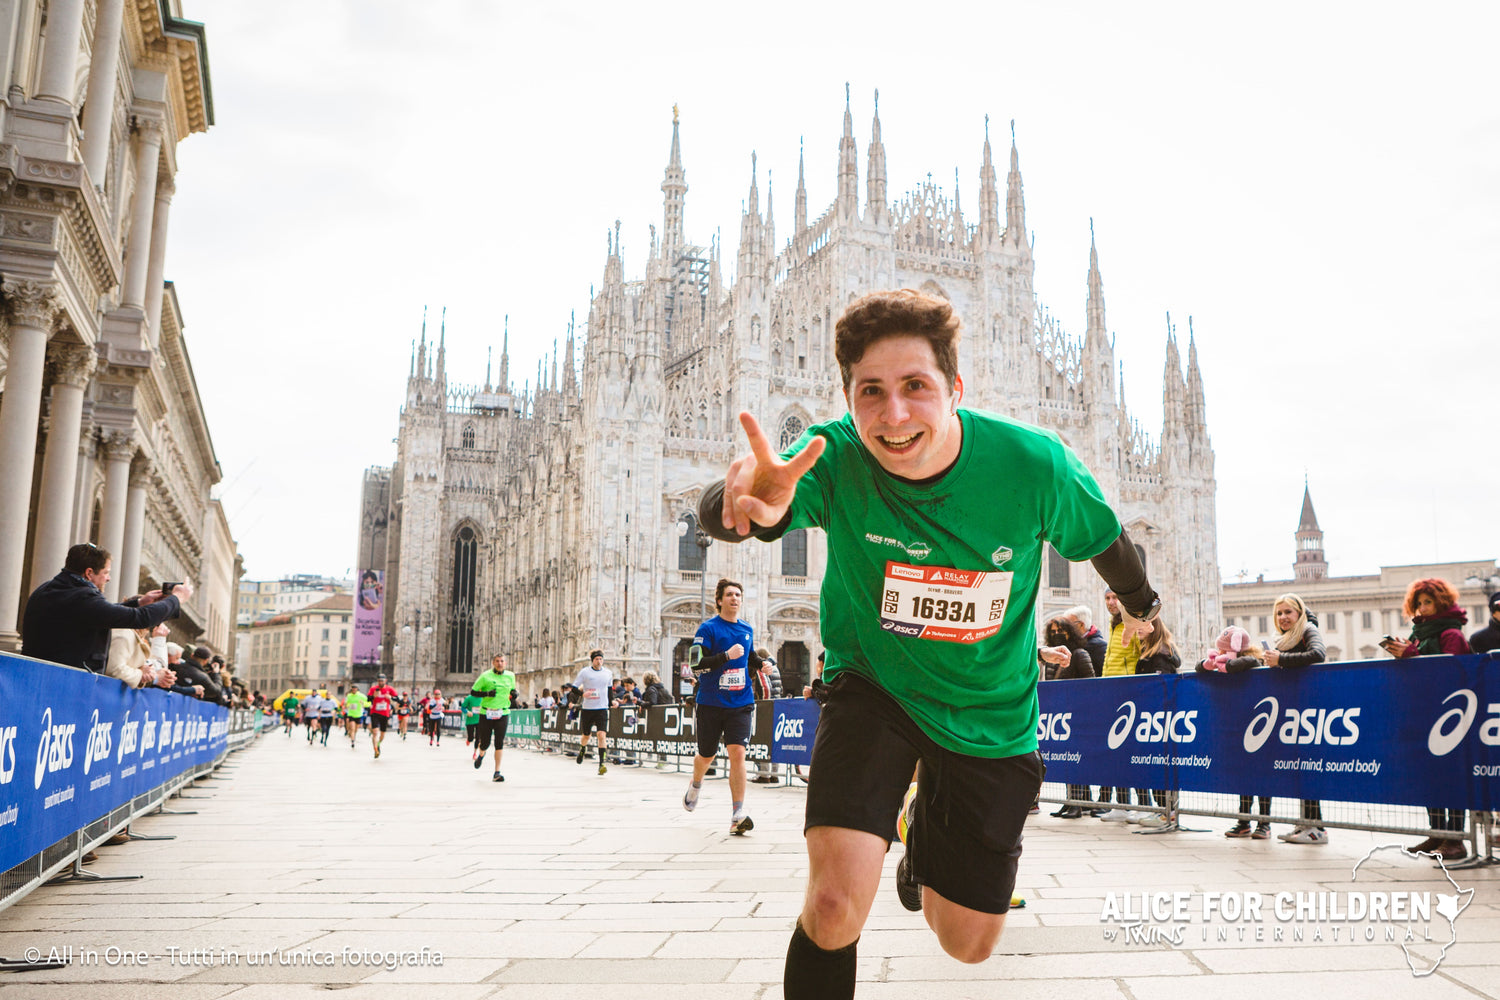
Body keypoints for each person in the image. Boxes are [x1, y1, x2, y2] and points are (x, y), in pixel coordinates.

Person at [696, 289, 1160, 995]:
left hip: (989, 713)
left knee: (966, 940)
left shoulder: (1032, 464)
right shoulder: (835, 454)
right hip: (872, 690)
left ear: (956, 389)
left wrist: (1143, 606)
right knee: (832, 906)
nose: (895, 414)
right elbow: (755, 501)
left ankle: (920, 825)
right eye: (871, 393)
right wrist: (739, 506)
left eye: (916, 387)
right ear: (848, 398)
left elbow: (1107, 542)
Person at [1381, 578, 1472, 859]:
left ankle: (1455, 839)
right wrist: (1405, 653)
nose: (1422, 608)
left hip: (1450, 717)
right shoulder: (1420, 632)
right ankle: (1437, 834)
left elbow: (1450, 672)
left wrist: (1413, 655)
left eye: (1428, 602)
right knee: (1430, 778)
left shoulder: (1451, 634)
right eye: (1418, 603)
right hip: (1424, 712)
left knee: (1450, 778)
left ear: (1441, 602)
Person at [21, 543, 187, 674]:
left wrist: (139, 602)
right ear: (89, 573)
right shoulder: (82, 597)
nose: (109, 578)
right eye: (106, 572)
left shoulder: (51, 588)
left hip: (41, 673)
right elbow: (140, 618)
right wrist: (176, 599)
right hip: (64, 683)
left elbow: (97, 613)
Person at [682, 578, 759, 834]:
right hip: (711, 702)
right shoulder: (708, 629)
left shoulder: (746, 628)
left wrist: (761, 665)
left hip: (741, 701)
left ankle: (738, 813)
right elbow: (695, 664)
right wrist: (726, 656)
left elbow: (749, 655)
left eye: (738, 594)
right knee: (707, 755)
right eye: (729, 594)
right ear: (719, 600)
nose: (734, 598)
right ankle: (696, 782)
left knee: (738, 753)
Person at [1262, 595, 1328, 844]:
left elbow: (1318, 654)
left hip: (1308, 708)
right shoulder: (1283, 638)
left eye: (1288, 612)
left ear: (1299, 613)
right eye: (1279, 613)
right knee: (1299, 769)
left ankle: (1317, 828)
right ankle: (1306, 823)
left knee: (1308, 768)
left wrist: (1281, 660)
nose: (1283, 618)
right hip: (1292, 709)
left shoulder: (1308, 629)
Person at [1197, 625, 1273, 839]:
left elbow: (1248, 662)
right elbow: (1198, 668)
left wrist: (1227, 661)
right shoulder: (1222, 663)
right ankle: (1243, 821)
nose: (1220, 654)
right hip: (1238, 725)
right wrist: (1211, 662)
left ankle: (1264, 823)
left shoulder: (1252, 661)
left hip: (1259, 726)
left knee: (1261, 775)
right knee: (1244, 776)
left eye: (1224, 650)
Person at [1095, 589, 1143, 822]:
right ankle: (1122, 805)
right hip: (1112, 692)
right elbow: (1110, 658)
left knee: (1135, 752)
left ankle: (1146, 805)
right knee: (1118, 752)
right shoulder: (1115, 625)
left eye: (1115, 598)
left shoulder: (1133, 622)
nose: (1111, 602)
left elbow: (1143, 654)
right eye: (1108, 598)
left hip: (1129, 692)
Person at [1040, 615, 1094, 819]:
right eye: (1052, 632)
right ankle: (1072, 801)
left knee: (1077, 760)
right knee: (1068, 760)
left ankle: (1077, 803)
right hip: (1060, 716)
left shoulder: (1080, 654)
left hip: (1078, 714)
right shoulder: (1053, 660)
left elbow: (1090, 683)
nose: (1056, 635)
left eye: (1060, 631)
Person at [1133, 618, 1182, 829]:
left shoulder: (1160, 654)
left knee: (1159, 766)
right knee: (1155, 765)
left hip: (1157, 719)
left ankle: (1166, 811)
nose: (1137, 630)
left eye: (1141, 626)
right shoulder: (1153, 651)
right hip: (1153, 718)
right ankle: (1164, 810)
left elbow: (1160, 688)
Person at [470, 653, 517, 781]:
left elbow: (512, 690)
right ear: (493, 663)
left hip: (503, 713)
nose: (499, 663)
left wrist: (514, 694)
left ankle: (497, 772)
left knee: (499, 743)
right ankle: (481, 754)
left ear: (505, 663)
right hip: (486, 713)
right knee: (485, 742)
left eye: (502, 661)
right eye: (497, 661)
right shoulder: (485, 676)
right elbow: (473, 692)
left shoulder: (511, 676)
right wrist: (487, 693)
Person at [573, 650, 613, 775]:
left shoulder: (608, 673)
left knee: (601, 735)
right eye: (597, 659)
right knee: (586, 735)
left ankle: (602, 764)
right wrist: (582, 694)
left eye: (601, 659)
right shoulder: (585, 672)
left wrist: (612, 703)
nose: (599, 661)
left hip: (602, 708)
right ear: (592, 660)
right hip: (588, 708)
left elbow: (610, 690)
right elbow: (574, 687)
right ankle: (582, 749)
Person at [1063, 604, 1108, 674]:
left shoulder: (1099, 646)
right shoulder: (1071, 644)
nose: (1065, 629)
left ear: (1081, 624)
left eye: (1068, 625)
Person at [367, 674, 398, 759]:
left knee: (382, 734)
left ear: (385, 681)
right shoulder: (373, 689)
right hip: (375, 713)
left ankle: (378, 744)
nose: (381, 682)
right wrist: (374, 696)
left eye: (382, 680)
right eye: (379, 680)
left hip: (385, 713)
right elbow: (368, 699)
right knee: (375, 732)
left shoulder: (390, 689)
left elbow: (398, 698)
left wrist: (391, 697)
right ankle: (376, 750)